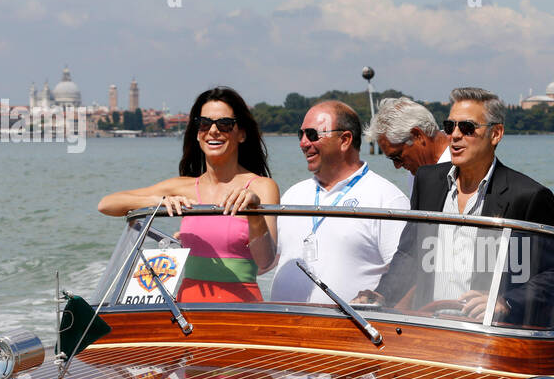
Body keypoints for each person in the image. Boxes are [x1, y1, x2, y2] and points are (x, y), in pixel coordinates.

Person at [361, 87, 554, 319]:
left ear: (496, 134)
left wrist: (505, 302)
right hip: (429, 328)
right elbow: (410, 253)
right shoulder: (427, 181)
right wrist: (380, 296)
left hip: (488, 335)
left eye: (467, 128)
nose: (454, 135)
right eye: (449, 126)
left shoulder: (527, 196)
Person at [98, 87, 279, 303]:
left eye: (224, 124)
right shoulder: (182, 187)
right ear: (197, 133)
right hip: (188, 311)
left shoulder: (261, 188)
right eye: (204, 124)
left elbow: (265, 262)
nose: (213, 131)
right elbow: (106, 204)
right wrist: (157, 202)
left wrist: (254, 213)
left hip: (241, 312)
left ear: (241, 134)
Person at [269, 100, 410, 303]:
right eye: (301, 135)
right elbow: (264, 262)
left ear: (345, 140)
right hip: (282, 328)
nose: (303, 143)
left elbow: (406, 278)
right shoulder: (293, 194)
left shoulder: (386, 199)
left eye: (312, 134)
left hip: (348, 331)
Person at [367, 97, 451, 183]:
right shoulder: (415, 173)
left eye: (397, 157)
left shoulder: (461, 165)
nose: (397, 166)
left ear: (417, 135)